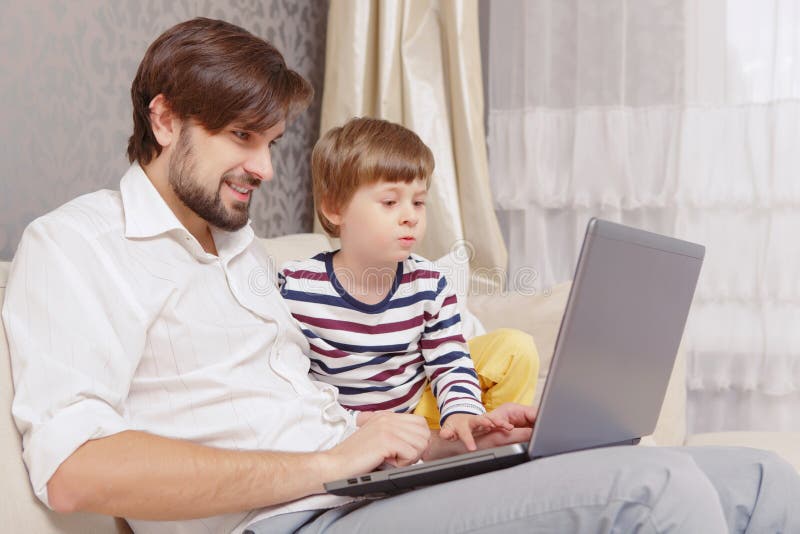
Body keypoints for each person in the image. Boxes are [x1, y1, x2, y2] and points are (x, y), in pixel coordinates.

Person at [2, 16, 798, 534]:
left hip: (356, 495)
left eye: (272, 142)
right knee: (654, 488)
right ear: (165, 118)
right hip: (282, 523)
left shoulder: (240, 255)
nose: (265, 169)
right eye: (243, 137)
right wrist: (327, 466)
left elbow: (316, 418)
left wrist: (439, 449)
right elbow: (76, 472)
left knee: (762, 479)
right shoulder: (77, 247)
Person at [278, 117, 538, 451]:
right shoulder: (298, 288)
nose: (410, 216)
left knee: (516, 349)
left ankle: (482, 438)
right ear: (334, 208)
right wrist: (352, 421)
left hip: (418, 410)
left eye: (417, 202)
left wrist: (461, 410)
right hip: (352, 429)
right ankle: (468, 448)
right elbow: (290, 382)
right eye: (390, 202)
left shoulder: (428, 283)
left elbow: (449, 358)